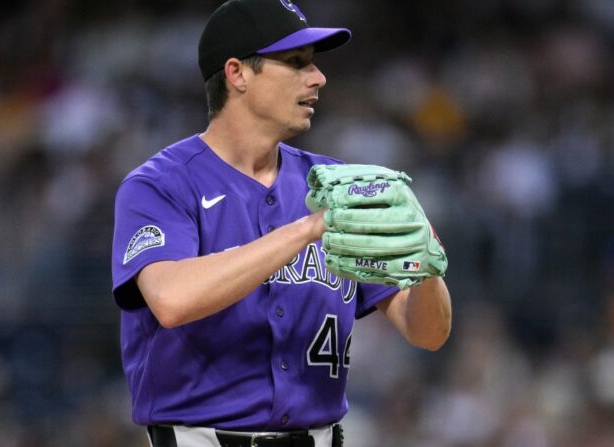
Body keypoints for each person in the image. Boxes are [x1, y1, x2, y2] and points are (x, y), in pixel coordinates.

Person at [110, 1, 452, 446]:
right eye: (295, 63)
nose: (318, 77)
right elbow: (172, 299)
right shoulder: (161, 185)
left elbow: (428, 333)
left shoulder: (336, 186)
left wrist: (425, 267)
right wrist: (307, 229)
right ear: (237, 74)